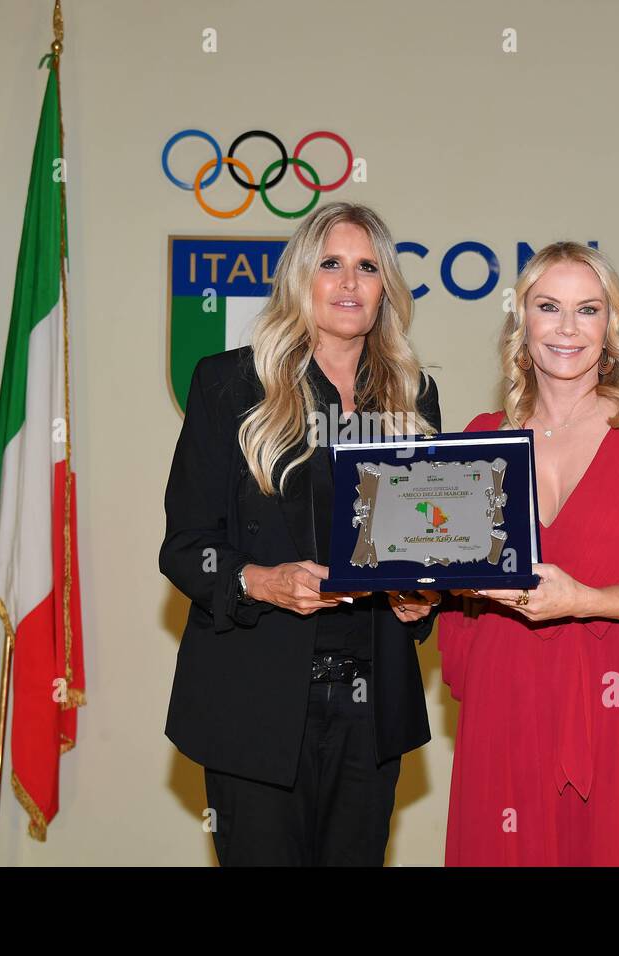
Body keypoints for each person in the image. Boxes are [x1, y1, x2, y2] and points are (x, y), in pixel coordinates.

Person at [160, 202, 443, 866]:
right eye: (332, 264)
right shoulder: (228, 384)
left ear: (386, 289)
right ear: (299, 280)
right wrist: (261, 581)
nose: (350, 283)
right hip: (255, 709)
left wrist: (418, 602)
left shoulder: (413, 395)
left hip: (370, 712)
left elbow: (424, 552)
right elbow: (185, 546)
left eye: (368, 267)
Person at [437, 241, 619, 865]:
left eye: (587, 309)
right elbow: (457, 588)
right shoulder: (481, 438)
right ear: (523, 323)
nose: (567, 328)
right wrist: (418, 594)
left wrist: (582, 600)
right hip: (507, 703)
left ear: (610, 327)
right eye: (548, 306)